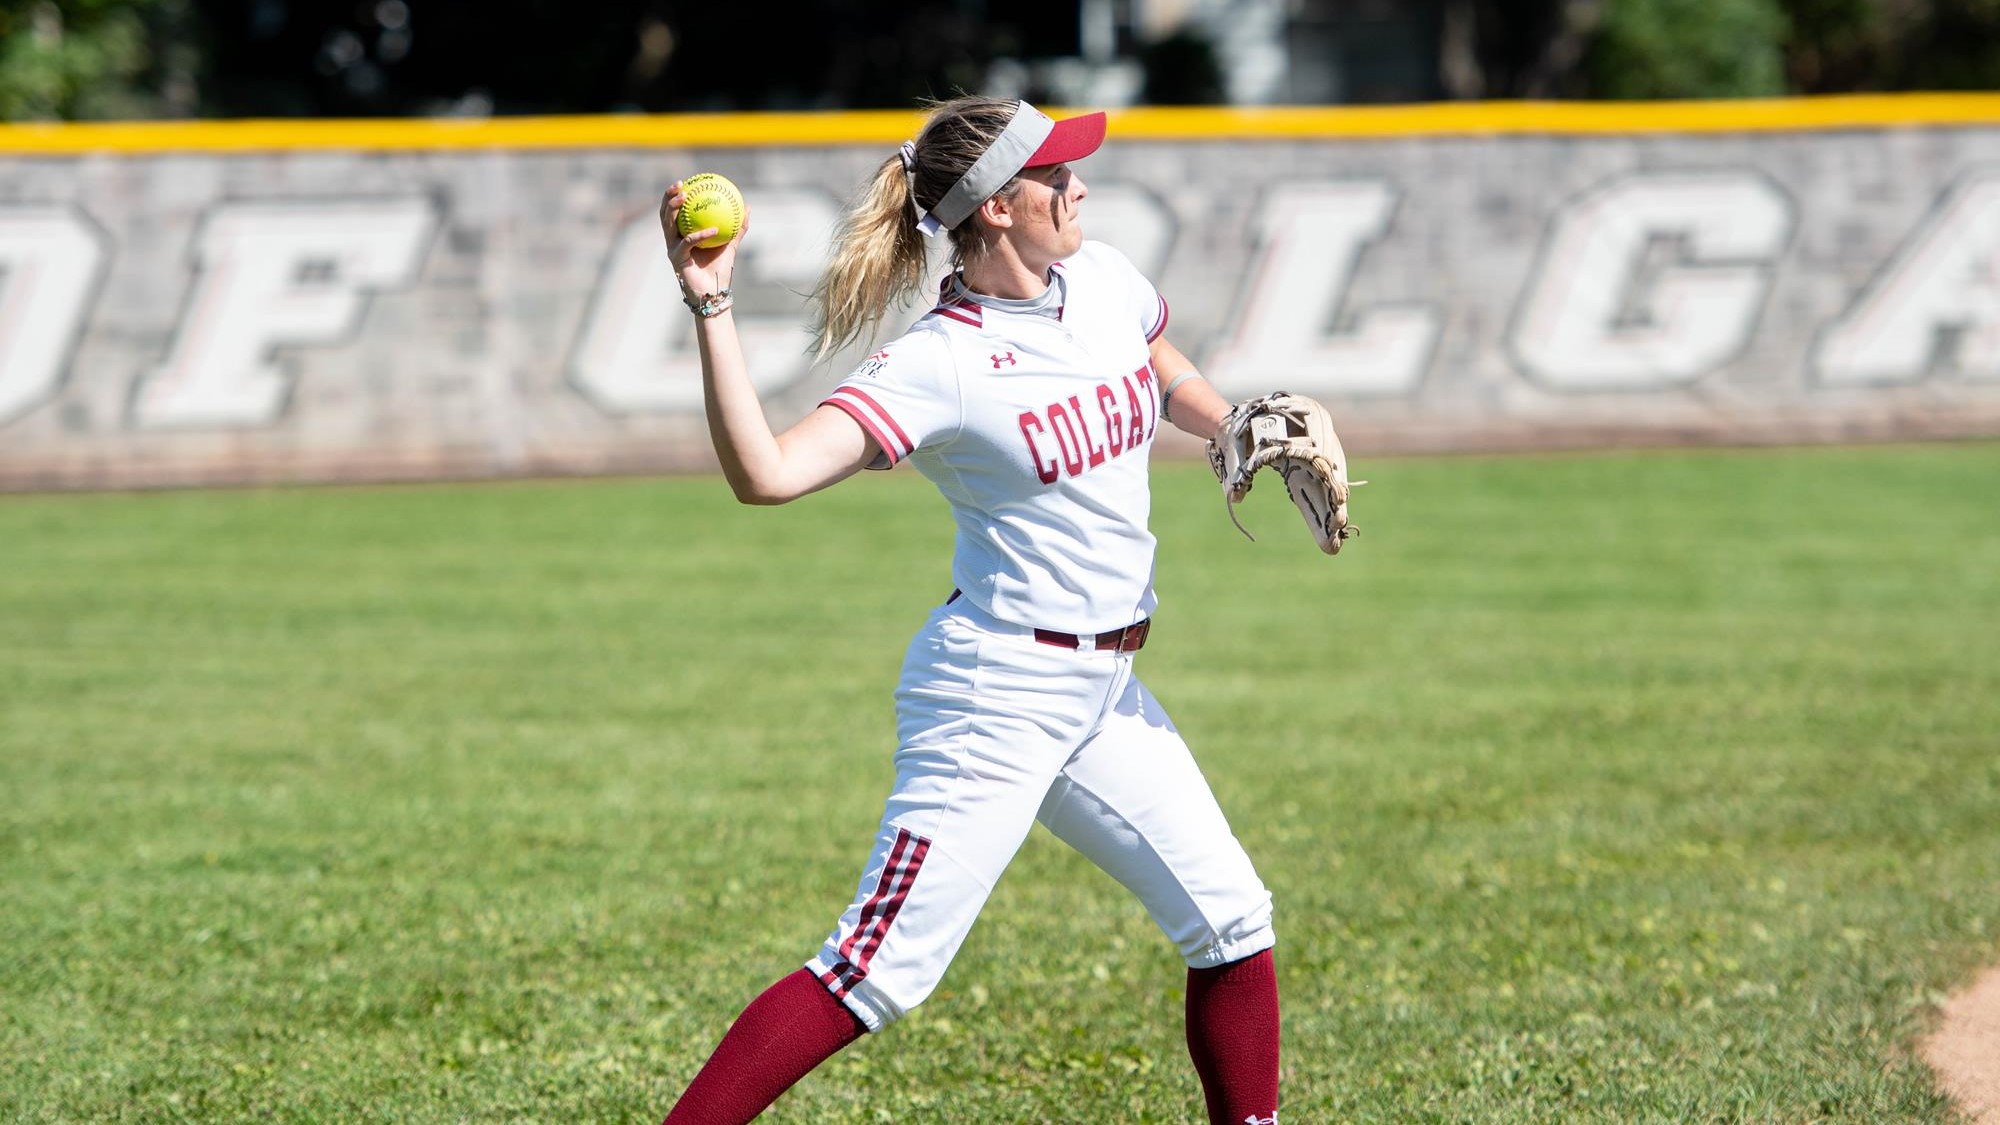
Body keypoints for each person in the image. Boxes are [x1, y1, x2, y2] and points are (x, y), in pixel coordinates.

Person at [656, 95, 1281, 1125]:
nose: (1077, 185)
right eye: (1054, 175)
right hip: (994, 696)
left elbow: (1158, 368)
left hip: (1105, 690)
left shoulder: (1103, 278)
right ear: (994, 210)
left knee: (1232, 923)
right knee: (873, 971)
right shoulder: (937, 363)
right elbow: (764, 475)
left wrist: (1236, 427)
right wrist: (709, 306)